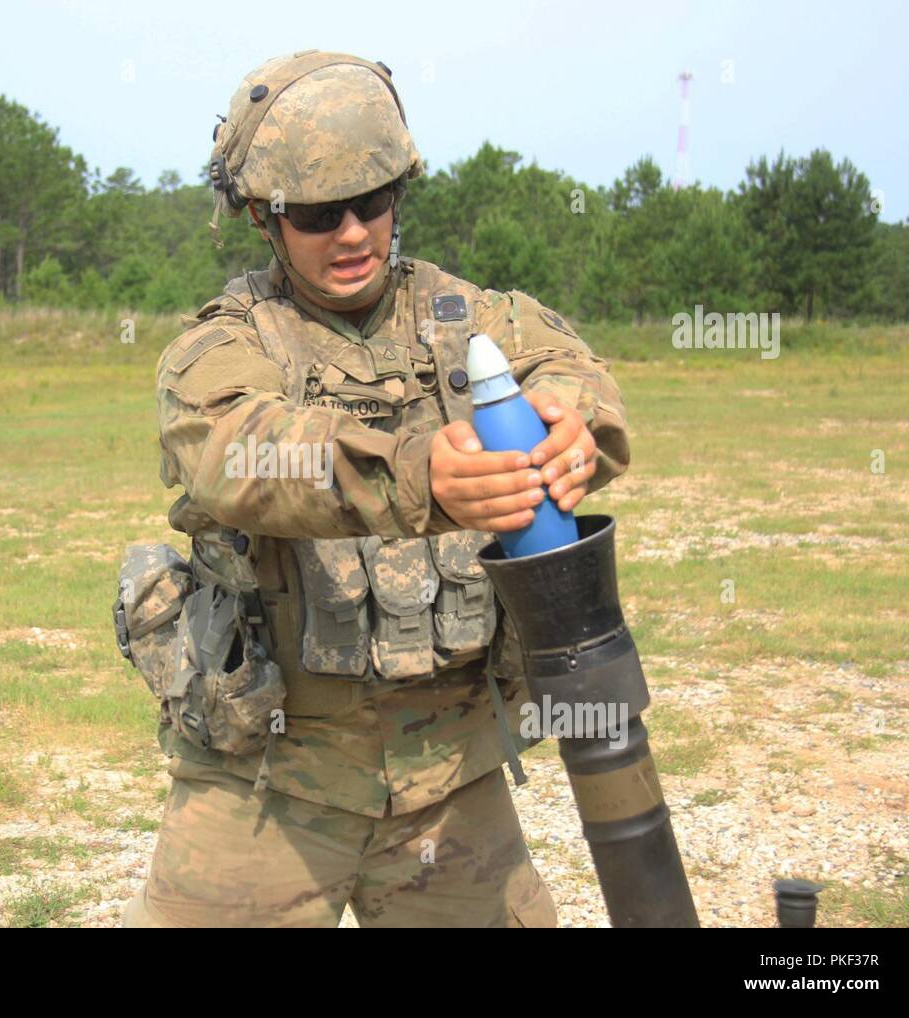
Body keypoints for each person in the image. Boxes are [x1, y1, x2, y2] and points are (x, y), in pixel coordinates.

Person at [120, 50, 631, 928]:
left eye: (375, 202)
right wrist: (417, 472)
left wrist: (576, 427)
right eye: (320, 213)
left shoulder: (477, 321)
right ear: (263, 218)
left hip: (451, 783)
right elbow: (238, 455)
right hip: (269, 784)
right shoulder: (224, 345)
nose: (353, 233)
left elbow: (579, 379)